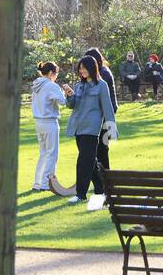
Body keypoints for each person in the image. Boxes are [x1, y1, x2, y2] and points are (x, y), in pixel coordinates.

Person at [65, 55, 117, 207]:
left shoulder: (101, 85)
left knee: (83, 162)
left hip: (92, 129)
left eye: (84, 68)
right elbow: (72, 105)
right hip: (78, 128)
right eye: (79, 69)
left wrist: (111, 131)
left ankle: (80, 194)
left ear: (92, 68)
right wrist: (70, 96)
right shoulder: (79, 85)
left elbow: (108, 108)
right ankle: (103, 189)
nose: (81, 71)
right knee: (91, 162)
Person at [30, 61, 72, 195]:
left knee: (43, 153)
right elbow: (63, 101)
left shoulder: (36, 84)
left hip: (38, 121)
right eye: (56, 74)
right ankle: (46, 183)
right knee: (52, 153)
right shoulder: (50, 85)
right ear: (51, 73)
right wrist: (66, 92)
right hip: (49, 121)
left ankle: (38, 182)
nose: (56, 77)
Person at [85, 47, 119, 193]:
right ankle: (104, 180)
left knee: (102, 149)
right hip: (104, 113)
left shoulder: (103, 73)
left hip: (106, 114)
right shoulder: (101, 72)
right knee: (101, 148)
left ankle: (105, 181)